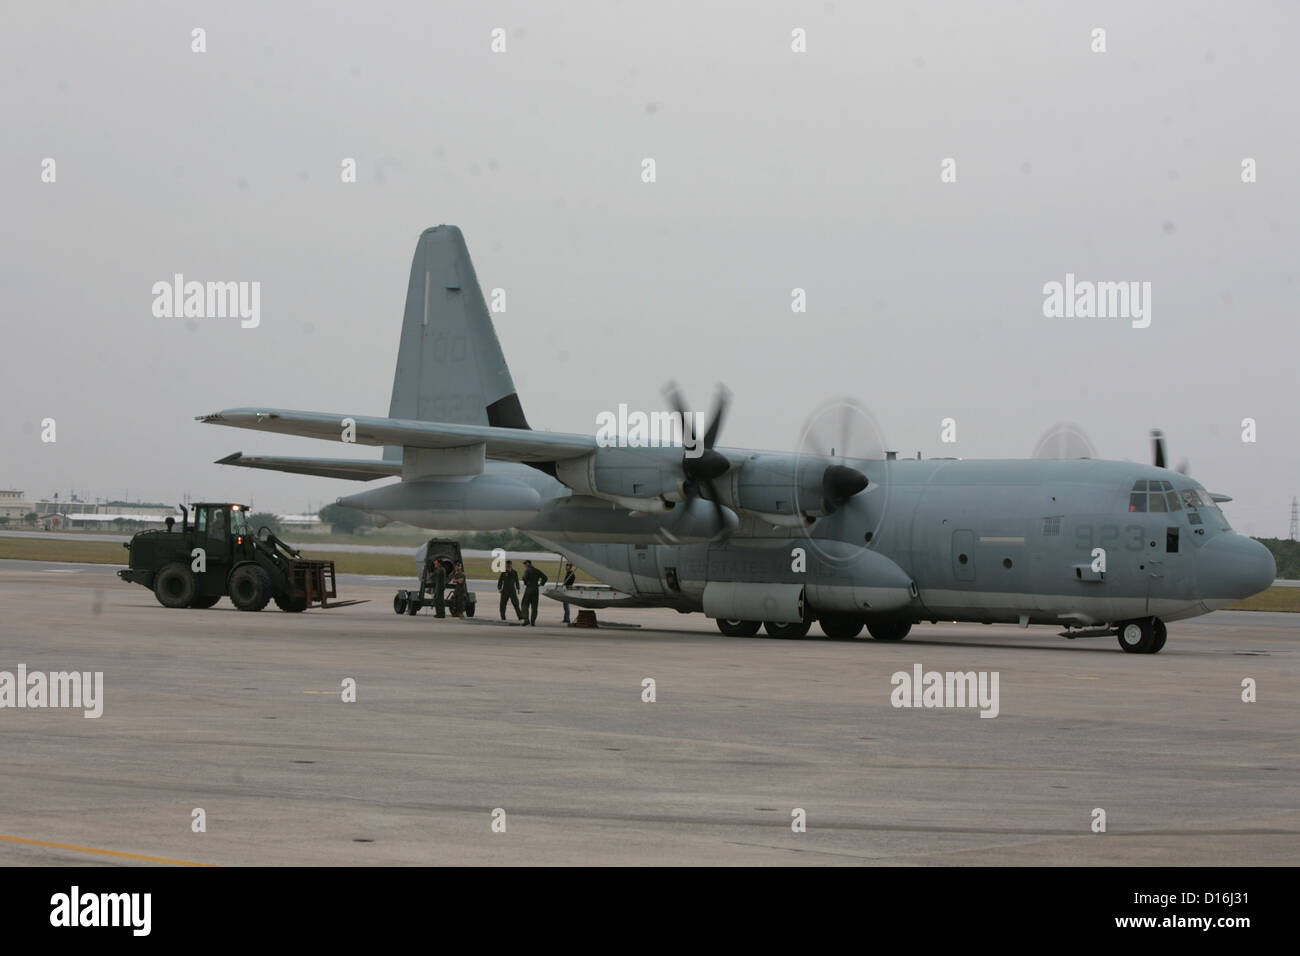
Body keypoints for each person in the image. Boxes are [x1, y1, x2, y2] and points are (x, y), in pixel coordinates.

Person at [520, 559, 548, 626]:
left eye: (525, 565)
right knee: (534, 606)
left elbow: (524, 578)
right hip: (536, 589)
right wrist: (541, 584)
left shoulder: (527, 571)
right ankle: (533, 621)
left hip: (529, 589)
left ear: (527, 564)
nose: (525, 566)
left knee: (524, 604)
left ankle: (526, 620)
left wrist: (526, 582)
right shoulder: (537, 570)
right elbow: (545, 577)